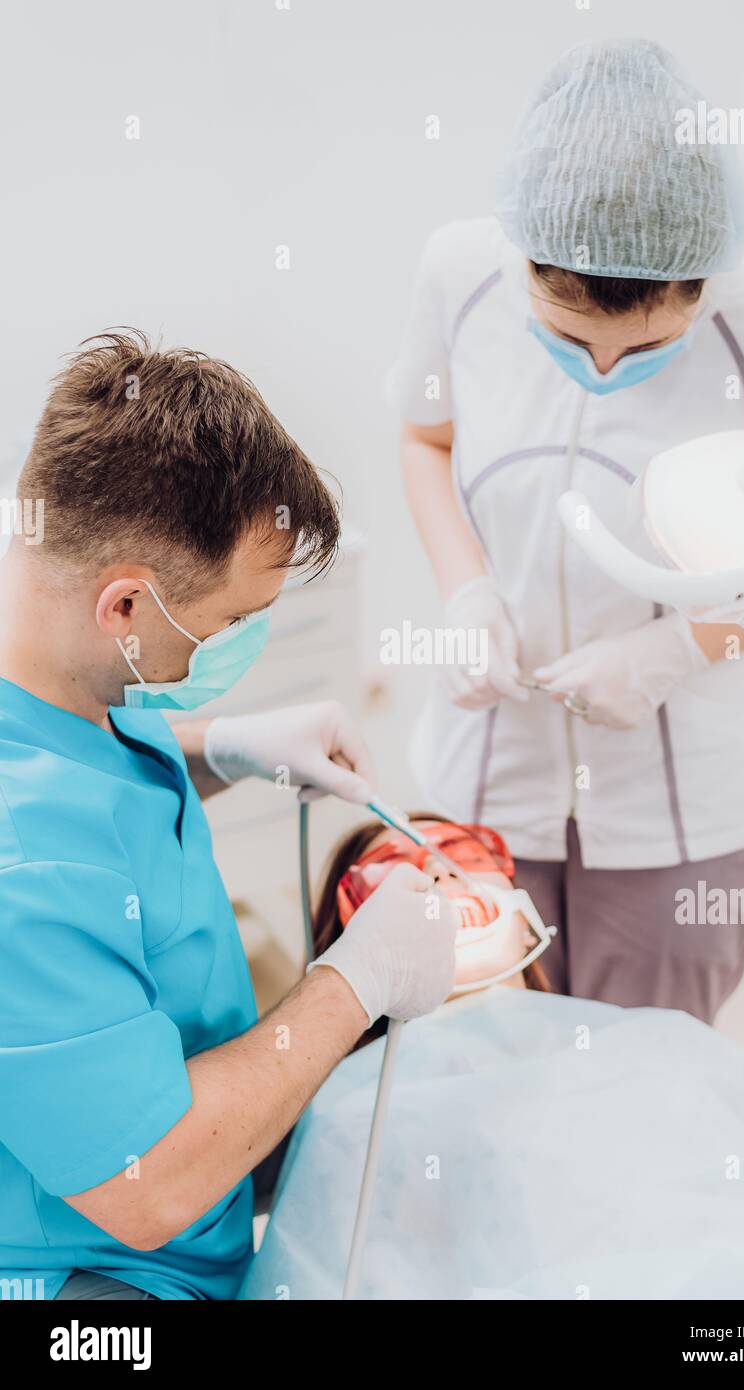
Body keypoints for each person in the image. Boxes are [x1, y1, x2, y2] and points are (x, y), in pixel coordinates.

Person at [394, 38, 744, 1023]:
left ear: (705, 284)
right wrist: (466, 593)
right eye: (565, 337)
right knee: (483, 1061)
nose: (603, 368)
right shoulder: (458, 273)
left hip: (688, 796)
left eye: (647, 347)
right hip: (490, 764)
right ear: (519, 255)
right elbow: (424, 439)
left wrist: (678, 650)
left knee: (649, 1094)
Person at [0, 331, 456, 1302]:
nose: (244, 642)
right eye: (230, 626)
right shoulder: (24, 879)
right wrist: (353, 981)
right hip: (109, 1276)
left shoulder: (52, 663)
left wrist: (224, 749)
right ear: (124, 608)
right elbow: (150, 1177)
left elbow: (88, 790)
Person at [241, 814, 744, 1300]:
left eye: (463, 855)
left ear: (520, 903)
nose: (439, 876)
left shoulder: (659, 1044)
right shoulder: (358, 1118)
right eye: (391, 872)